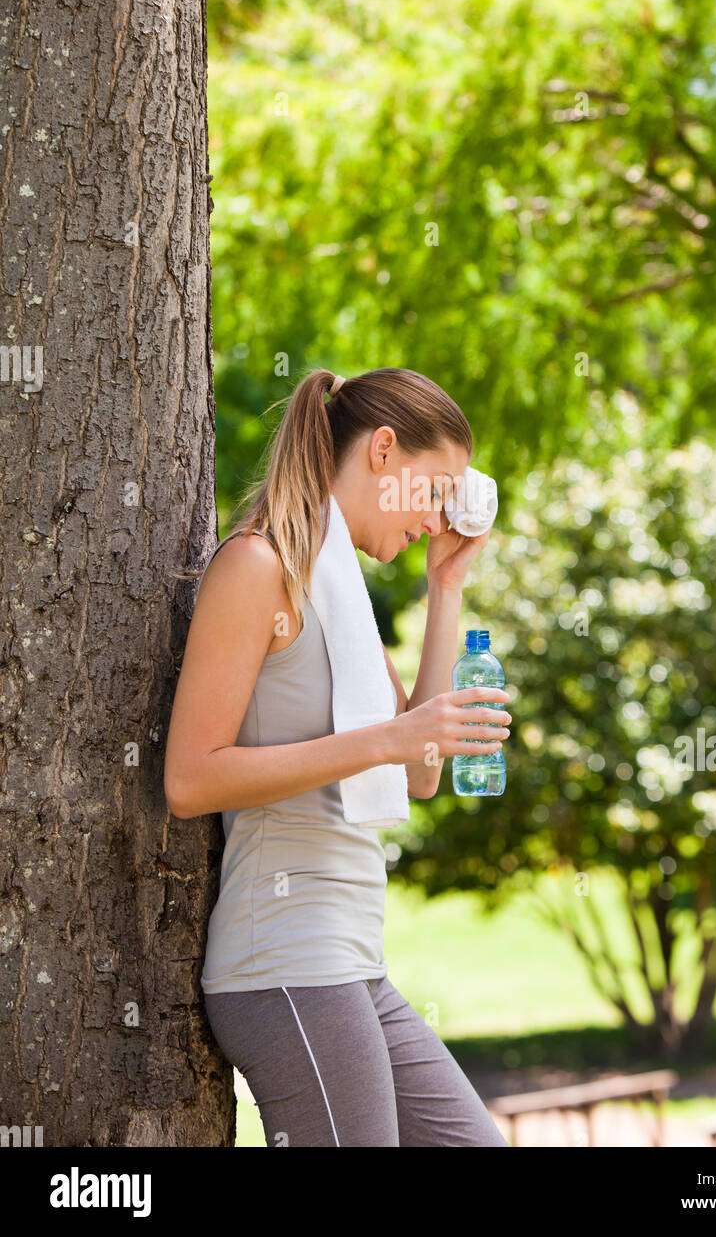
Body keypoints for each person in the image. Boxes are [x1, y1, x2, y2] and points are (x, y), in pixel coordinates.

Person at [164, 366, 512, 1147]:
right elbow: (190, 779)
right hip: (284, 963)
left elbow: (419, 772)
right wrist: (381, 740)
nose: (438, 517)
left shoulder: (343, 597)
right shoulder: (258, 569)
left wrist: (446, 588)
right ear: (383, 452)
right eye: (436, 489)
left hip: (352, 962)